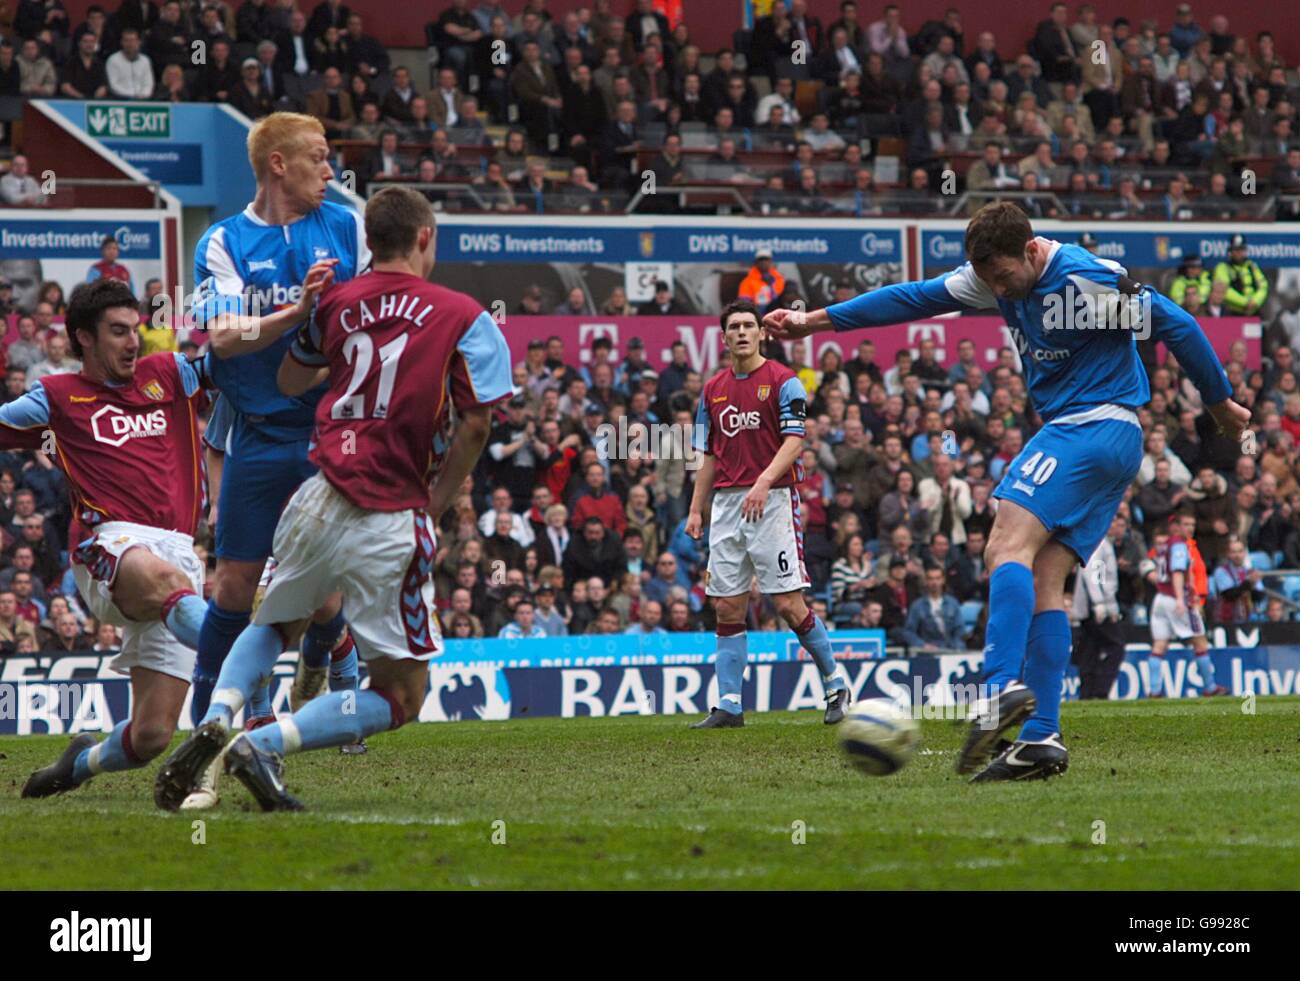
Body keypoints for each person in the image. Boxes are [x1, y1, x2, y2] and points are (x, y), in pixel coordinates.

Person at [765, 201, 1247, 780]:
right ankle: (1041, 738)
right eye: (989, 280)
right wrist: (811, 322)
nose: (999, 289)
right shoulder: (995, 275)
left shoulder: (1082, 284)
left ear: (1031, 250)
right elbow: (911, 298)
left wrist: (1219, 403)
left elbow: (1175, 323)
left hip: (1089, 426)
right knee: (1047, 580)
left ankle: (996, 691)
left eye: (1004, 276)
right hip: (1104, 438)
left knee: (1002, 546)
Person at [155, 186, 512, 812]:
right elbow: (478, 423)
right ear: (425, 237)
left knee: (273, 623)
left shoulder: (337, 302)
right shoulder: (464, 314)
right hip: (391, 507)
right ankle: (264, 742)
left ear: (367, 242)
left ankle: (217, 719)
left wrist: (343, 366)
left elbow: (292, 377)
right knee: (402, 695)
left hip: (317, 492)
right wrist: (437, 498)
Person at [2, 278, 263, 798]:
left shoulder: (170, 374)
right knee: (166, 582)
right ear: (83, 339)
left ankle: (77, 765)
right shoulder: (55, 398)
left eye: (137, 330)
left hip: (178, 552)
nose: (133, 342)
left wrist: (291, 317)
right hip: (109, 545)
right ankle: (257, 701)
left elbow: (231, 358)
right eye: (118, 332)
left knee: (150, 737)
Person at [187, 113, 370, 770]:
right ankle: (206, 721)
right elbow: (226, 336)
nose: (331, 170)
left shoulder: (348, 226)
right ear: (278, 164)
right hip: (259, 436)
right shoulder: (222, 241)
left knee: (315, 588)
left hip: (330, 436)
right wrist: (297, 312)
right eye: (319, 158)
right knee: (235, 584)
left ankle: (339, 685)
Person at [686, 298, 850, 729]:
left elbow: (796, 442)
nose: (741, 332)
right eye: (733, 327)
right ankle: (729, 705)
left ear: (762, 333)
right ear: (723, 338)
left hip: (773, 500)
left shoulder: (784, 381)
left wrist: (762, 482)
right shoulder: (712, 390)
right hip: (725, 505)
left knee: (787, 605)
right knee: (726, 606)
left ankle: (835, 682)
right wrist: (695, 509)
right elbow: (707, 454)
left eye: (748, 326)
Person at [1148, 515, 1228, 697]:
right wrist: (1180, 598)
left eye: (1192, 524)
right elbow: (1177, 572)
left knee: (1159, 645)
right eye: (1185, 524)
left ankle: (1154, 691)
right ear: (1175, 527)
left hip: (1160, 598)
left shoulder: (1166, 545)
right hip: (1175, 598)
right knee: (1200, 641)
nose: (1189, 528)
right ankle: (1210, 687)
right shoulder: (1178, 545)